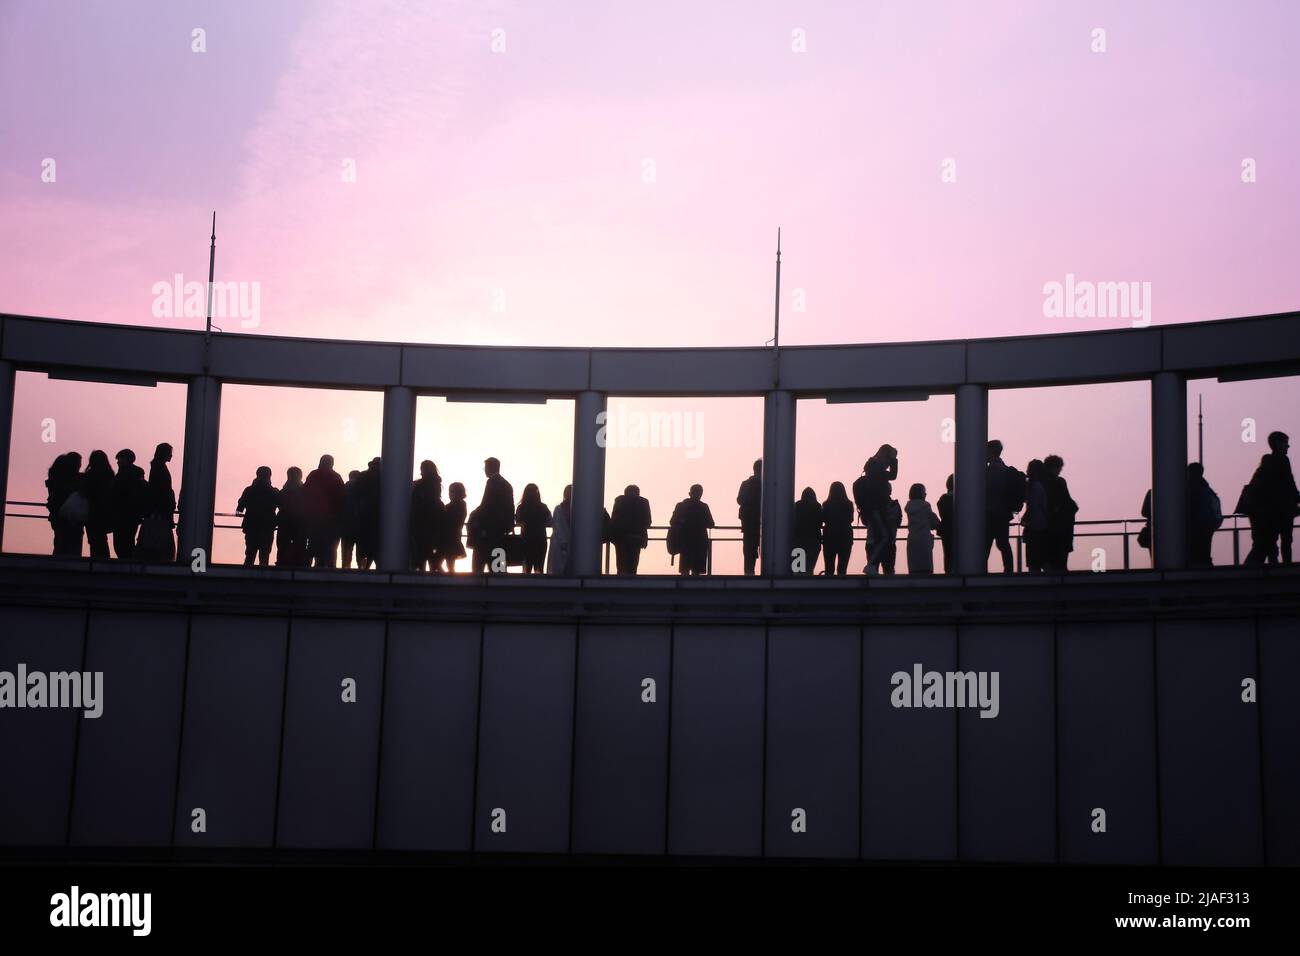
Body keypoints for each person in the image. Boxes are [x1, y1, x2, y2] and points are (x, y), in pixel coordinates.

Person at [1244, 431, 1298, 566]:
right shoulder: (1283, 461)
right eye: (1285, 443)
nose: (1288, 446)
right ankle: (1286, 567)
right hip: (1281, 510)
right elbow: (1289, 484)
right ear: (1278, 444)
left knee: (1269, 541)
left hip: (1269, 512)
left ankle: (1273, 565)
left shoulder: (1266, 465)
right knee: (1285, 540)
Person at [853, 444, 898, 575]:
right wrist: (894, 460)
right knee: (886, 536)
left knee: (881, 537)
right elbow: (893, 475)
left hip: (873, 509)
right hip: (876, 509)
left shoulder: (871, 466)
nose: (889, 464)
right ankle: (871, 564)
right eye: (889, 459)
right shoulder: (876, 468)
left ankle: (872, 564)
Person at [302, 454, 346, 568]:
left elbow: (305, 494)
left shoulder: (313, 475)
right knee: (331, 548)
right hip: (332, 520)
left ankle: (311, 569)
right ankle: (331, 570)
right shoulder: (336, 477)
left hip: (314, 519)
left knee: (314, 546)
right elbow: (342, 499)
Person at [472, 457, 515, 573]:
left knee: (479, 565)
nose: (484, 470)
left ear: (490, 467)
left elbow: (486, 504)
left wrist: (474, 515)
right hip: (501, 531)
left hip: (489, 530)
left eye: (485, 467)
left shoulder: (492, 482)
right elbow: (511, 507)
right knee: (498, 567)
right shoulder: (507, 484)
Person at [136, 443, 176, 562]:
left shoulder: (156, 467)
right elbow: (160, 491)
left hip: (157, 511)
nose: (171, 456)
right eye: (170, 452)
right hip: (161, 512)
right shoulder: (160, 468)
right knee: (163, 543)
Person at [236, 466, 279, 567]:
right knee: (264, 557)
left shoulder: (249, 490)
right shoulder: (273, 492)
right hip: (267, 527)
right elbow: (282, 504)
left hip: (251, 526)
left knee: (249, 556)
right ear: (269, 476)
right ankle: (264, 579)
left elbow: (240, 507)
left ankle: (245, 577)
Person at [984, 440, 1017, 574]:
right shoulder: (1003, 468)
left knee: (987, 544)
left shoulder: (993, 469)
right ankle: (1008, 570)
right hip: (1002, 512)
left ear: (990, 452)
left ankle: (980, 571)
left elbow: (991, 489)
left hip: (993, 512)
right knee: (1002, 542)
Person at [109, 449, 148, 559]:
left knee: (120, 544)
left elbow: (115, 494)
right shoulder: (137, 475)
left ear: (125, 459)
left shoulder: (122, 475)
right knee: (129, 541)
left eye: (119, 459)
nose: (117, 462)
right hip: (134, 515)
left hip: (121, 515)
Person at [669, 484, 714, 576]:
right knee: (696, 571)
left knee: (684, 569)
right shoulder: (704, 507)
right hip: (700, 541)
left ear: (690, 493)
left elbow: (672, 521)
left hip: (685, 540)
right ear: (701, 494)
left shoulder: (681, 506)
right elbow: (711, 524)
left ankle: (682, 588)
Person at [1043, 454, 1077, 572]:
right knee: (1061, 554)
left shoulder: (1042, 483)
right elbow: (1068, 502)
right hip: (1062, 525)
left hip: (1050, 525)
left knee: (1051, 555)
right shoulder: (1059, 482)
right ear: (1054, 467)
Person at [46, 452, 84, 557]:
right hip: (73, 517)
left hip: (57, 516)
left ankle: (57, 564)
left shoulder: (55, 480)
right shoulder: (74, 481)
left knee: (60, 542)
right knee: (73, 544)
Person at [1185, 462, 1222, 567]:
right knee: (1204, 551)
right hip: (1207, 524)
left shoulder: (1192, 488)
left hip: (1196, 525)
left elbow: (1192, 507)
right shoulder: (1206, 488)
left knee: (1195, 552)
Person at [410, 460, 444, 572]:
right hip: (433, 522)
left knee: (421, 552)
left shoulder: (421, 485)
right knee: (429, 551)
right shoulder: (436, 484)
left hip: (422, 522)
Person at [610, 484, 653, 575]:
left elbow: (614, 519)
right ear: (638, 492)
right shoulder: (644, 502)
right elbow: (648, 521)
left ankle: (620, 579)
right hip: (637, 536)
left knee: (621, 561)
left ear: (625, 492)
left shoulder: (619, 501)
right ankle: (632, 577)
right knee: (633, 561)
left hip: (621, 536)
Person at [80, 450, 114, 560]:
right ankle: (104, 561)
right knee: (102, 539)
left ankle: (95, 561)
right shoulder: (109, 475)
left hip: (91, 512)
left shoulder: (89, 476)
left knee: (94, 540)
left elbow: (85, 492)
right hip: (105, 512)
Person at [515, 483, 552, 574]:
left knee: (526, 569)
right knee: (539, 569)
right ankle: (540, 586)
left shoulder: (521, 508)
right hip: (540, 540)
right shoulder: (543, 508)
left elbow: (518, 521)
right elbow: (550, 521)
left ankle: (526, 586)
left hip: (526, 541)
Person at [904, 483, 940, 575]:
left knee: (914, 567)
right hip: (924, 539)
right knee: (925, 568)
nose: (925, 494)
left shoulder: (909, 507)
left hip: (912, 539)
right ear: (921, 493)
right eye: (924, 492)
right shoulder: (925, 506)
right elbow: (933, 522)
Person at [820, 481, 854, 576]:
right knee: (842, 568)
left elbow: (824, 519)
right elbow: (851, 519)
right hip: (845, 537)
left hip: (829, 537)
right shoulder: (848, 504)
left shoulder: (826, 504)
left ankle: (829, 587)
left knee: (829, 567)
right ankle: (842, 587)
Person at [276, 466, 307, 567]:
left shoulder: (282, 492)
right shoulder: (305, 492)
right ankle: (300, 566)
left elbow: (277, 503)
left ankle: (281, 566)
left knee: (282, 547)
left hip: (284, 522)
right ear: (300, 476)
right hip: (301, 523)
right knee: (300, 546)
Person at [736, 460, 763, 575]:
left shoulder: (746, 484)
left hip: (748, 522)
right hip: (763, 521)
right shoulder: (768, 484)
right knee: (765, 546)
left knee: (748, 548)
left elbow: (739, 500)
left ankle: (749, 572)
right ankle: (767, 571)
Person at [1022, 460, 1049, 573]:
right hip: (1041, 525)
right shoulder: (1041, 485)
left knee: (1033, 560)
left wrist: (1026, 517)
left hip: (1035, 526)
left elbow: (1033, 505)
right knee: (1042, 558)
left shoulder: (1034, 486)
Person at [355, 458, 382, 570]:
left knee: (363, 545)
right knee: (375, 545)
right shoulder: (384, 477)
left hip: (364, 515)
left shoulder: (363, 476)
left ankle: (362, 567)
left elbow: (357, 494)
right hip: (377, 516)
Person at [792, 486, 822, 575]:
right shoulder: (817, 506)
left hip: (799, 541)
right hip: (813, 541)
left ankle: (796, 586)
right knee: (809, 569)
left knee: (797, 570)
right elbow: (819, 523)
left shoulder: (797, 505)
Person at [440, 481, 468, 573]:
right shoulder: (461, 505)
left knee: (445, 562)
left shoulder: (454, 506)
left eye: (452, 492)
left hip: (449, 538)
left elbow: (451, 519)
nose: (450, 494)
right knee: (449, 562)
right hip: (453, 537)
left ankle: (448, 579)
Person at [340, 469, 363, 569]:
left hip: (346, 522)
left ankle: (345, 567)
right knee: (360, 549)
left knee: (346, 549)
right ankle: (361, 568)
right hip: (360, 522)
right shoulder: (363, 486)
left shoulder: (345, 486)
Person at [936, 474, 955, 574]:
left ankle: (948, 573)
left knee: (948, 553)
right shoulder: (963, 500)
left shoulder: (942, 500)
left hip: (946, 530)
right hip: (959, 530)